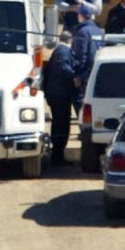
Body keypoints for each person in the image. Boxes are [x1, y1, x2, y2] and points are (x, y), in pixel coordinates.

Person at [41, 31, 78, 167]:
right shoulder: (63, 51)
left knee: (59, 124)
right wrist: (75, 77)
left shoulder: (60, 51)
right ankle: (57, 156)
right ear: (70, 40)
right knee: (61, 125)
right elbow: (63, 67)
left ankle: (57, 154)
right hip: (60, 95)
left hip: (57, 93)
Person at [70, 4, 105, 96]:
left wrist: (78, 75)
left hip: (85, 74)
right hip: (97, 70)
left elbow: (81, 55)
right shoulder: (99, 31)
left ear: (81, 15)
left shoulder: (82, 32)